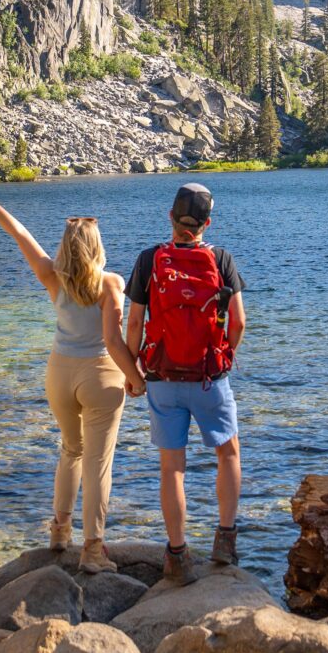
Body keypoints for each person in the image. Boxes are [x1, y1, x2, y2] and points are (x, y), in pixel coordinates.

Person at [0, 176, 140, 571]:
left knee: (70, 450)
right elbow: (112, 340)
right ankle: (93, 550)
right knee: (97, 463)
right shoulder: (111, 284)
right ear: (97, 247)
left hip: (58, 374)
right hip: (101, 377)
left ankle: (59, 532)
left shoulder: (51, 275)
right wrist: (136, 377)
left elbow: (18, 231)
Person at [124, 181, 245, 584]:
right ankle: (225, 541)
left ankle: (177, 555)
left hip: (162, 377)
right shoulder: (222, 259)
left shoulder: (148, 259)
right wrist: (226, 355)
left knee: (171, 468)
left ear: (171, 219)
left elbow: (136, 323)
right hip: (210, 377)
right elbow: (239, 323)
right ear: (207, 223)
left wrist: (133, 372)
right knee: (227, 454)